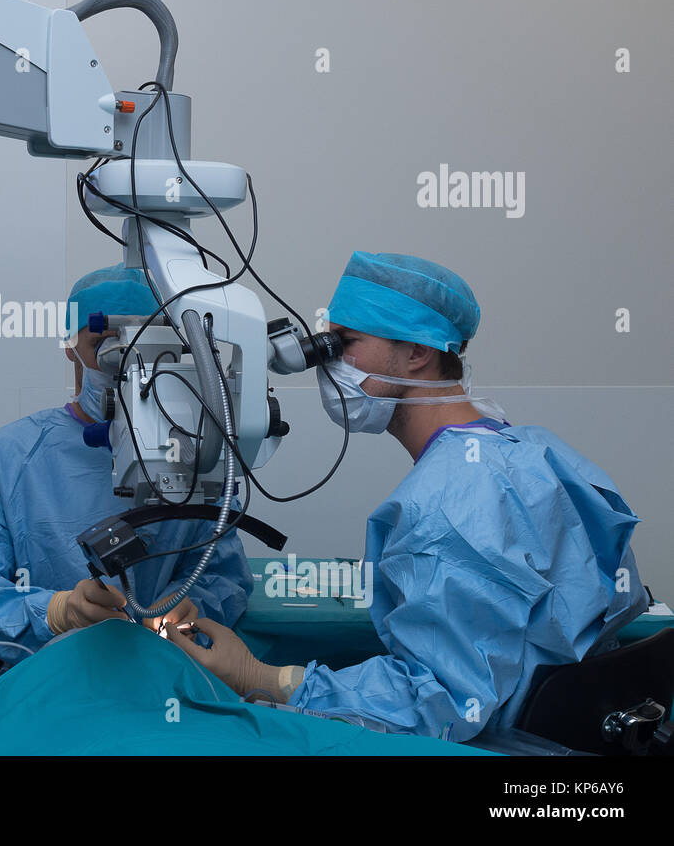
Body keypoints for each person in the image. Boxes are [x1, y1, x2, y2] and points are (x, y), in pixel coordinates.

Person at [170, 251, 648, 741]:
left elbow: (442, 704)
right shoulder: (527, 449)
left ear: (418, 352)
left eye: (346, 342)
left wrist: (263, 678)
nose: (329, 363)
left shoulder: (450, 505)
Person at [0, 264, 252, 680]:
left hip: (162, 674)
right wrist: (58, 611)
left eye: (143, 343)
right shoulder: (8, 456)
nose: (126, 360)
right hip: (46, 682)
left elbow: (224, 574)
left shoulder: (196, 452)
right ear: (69, 343)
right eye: (104, 342)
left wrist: (192, 604)